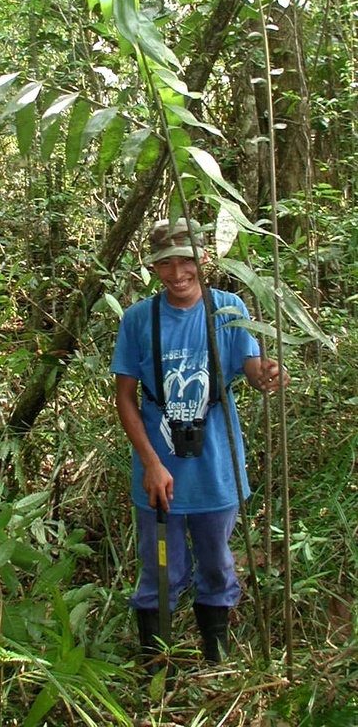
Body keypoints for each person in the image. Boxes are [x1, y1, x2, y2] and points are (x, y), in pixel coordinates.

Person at [111, 217, 287, 674]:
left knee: (217, 563)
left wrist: (266, 373)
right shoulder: (138, 319)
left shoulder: (226, 307)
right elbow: (125, 397)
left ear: (203, 259)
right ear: (153, 268)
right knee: (161, 569)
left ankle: (217, 658)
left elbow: (249, 365)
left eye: (186, 260)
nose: (177, 273)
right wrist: (151, 463)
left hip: (216, 468)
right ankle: (156, 665)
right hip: (160, 477)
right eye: (165, 263)